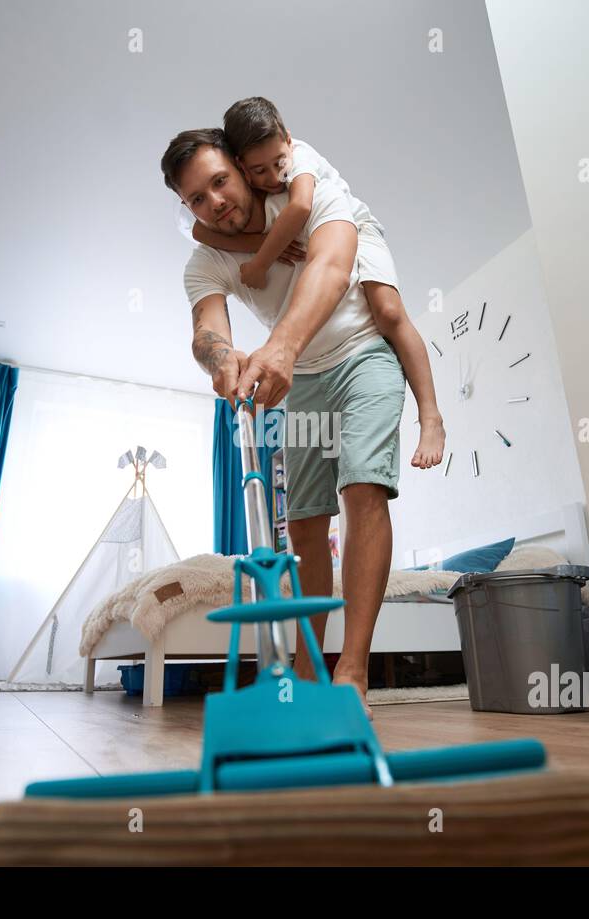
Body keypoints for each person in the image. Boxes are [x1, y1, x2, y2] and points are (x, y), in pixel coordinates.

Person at [162, 127, 406, 716]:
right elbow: (206, 332)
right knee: (303, 521)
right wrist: (225, 360)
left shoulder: (306, 181)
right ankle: (304, 670)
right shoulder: (204, 263)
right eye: (197, 198)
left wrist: (281, 346)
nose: (214, 202)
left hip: (363, 352)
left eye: (220, 181)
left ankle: (352, 670)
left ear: (243, 169)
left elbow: (331, 263)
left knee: (362, 488)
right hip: (305, 381)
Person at [186, 96, 444, 470]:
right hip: (310, 373)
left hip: (359, 227)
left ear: (288, 141)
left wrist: (260, 263)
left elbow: (301, 208)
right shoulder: (248, 192)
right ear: (243, 165)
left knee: (388, 310)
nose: (275, 177)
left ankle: (432, 416)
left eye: (279, 164)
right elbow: (198, 230)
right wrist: (260, 244)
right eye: (259, 171)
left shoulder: (300, 161)